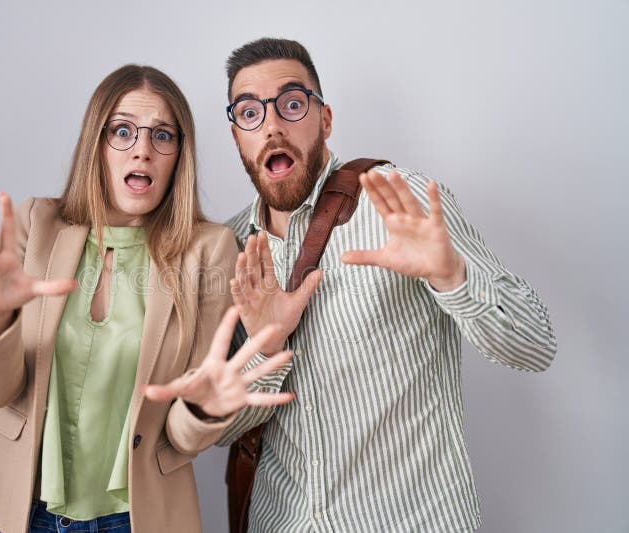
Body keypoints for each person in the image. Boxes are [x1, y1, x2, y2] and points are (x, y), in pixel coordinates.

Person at [167, 38, 557, 532]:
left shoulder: (399, 201)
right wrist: (266, 349)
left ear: (325, 120)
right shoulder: (226, 250)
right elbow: (225, 432)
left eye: (291, 104)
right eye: (249, 112)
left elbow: (535, 347)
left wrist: (450, 276)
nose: (271, 125)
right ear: (236, 136)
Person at [0, 64, 294, 533]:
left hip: (134, 520)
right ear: (96, 145)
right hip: (24, 513)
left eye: (162, 136)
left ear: (180, 154)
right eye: (122, 131)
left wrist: (204, 409)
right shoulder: (36, 225)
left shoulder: (209, 249)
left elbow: (180, 438)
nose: (142, 150)